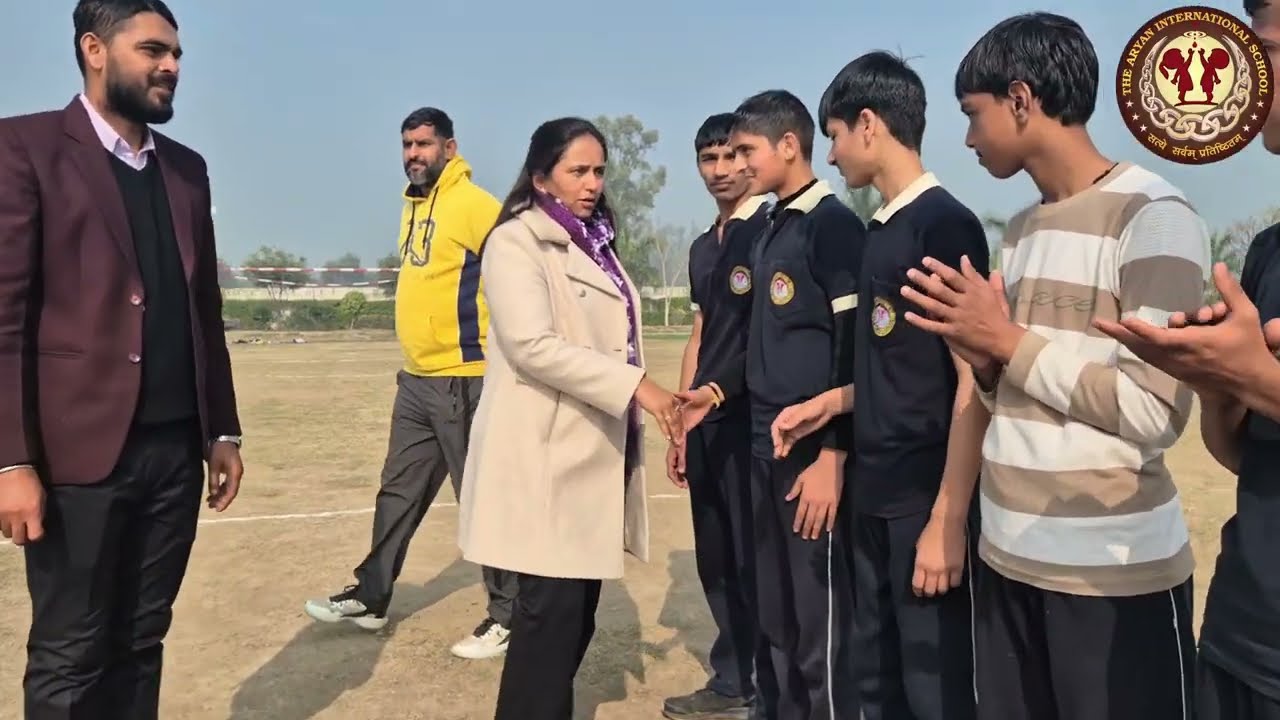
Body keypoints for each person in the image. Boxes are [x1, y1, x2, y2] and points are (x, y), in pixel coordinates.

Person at [901, 12, 1210, 720]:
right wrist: (984, 361)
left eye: (973, 116)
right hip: (1009, 557)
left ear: (1020, 99)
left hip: (1111, 577)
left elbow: (1153, 412)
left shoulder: (1153, 215)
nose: (970, 139)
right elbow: (1014, 385)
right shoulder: (1024, 228)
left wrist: (1006, 343)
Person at [0, 1, 245, 717]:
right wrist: (11, 462)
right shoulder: (26, 150)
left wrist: (221, 430)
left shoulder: (186, 172)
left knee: (142, 641)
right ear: (94, 50)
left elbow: (204, 309)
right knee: (70, 652)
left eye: (175, 54)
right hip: (76, 462)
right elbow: (5, 318)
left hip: (173, 455)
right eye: (152, 50)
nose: (170, 66)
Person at [772, 51, 986, 719]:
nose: (830, 155)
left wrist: (947, 520)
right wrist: (826, 404)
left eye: (833, 135)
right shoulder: (880, 233)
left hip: (921, 498)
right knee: (876, 679)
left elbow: (970, 382)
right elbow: (896, 373)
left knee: (934, 684)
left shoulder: (942, 225)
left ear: (869, 124)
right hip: (874, 493)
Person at [456, 117, 684, 720]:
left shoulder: (594, 242)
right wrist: (640, 388)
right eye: (577, 171)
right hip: (544, 458)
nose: (591, 183)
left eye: (599, 170)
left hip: (589, 453)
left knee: (573, 621)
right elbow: (531, 345)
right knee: (548, 625)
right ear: (540, 177)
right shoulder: (515, 242)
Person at [1093, 2, 1280, 717]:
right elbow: (1240, 454)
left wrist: (1259, 378)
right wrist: (1217, 385)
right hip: (1243, 622)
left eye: (1260, 51)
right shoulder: (1266, 252)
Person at [303, 107, 517, 661]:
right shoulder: (413, 204)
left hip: (465, 380)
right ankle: (372, 598)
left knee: (480, 502)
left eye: (424, 144)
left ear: (450, 147)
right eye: (406, 144)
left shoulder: (473, 204)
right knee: (397, 492)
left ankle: (509, 614)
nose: (414, 154)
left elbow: (517, 270)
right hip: (417, 382)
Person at [721, 89, 864, 720]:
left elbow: (855, 348)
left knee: (817, 615)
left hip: (810, 449)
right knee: (774, 606)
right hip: (763, 442)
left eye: (748, 150)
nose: (740, 163)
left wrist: (834, 452)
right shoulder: (771, 224)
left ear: (788, 145)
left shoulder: (833, 226)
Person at [661, 113, 770, 720]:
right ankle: (732, 680)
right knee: (716, 558)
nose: (721, 170)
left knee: (757, 560)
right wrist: (680, 420)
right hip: (706, 423)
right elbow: (700, 332)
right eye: (709, 159)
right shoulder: (705, 247)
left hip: (754, 424)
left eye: (731, 156)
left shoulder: (771, 235)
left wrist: (721, 396)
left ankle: (767, 685)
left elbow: (767, 338)